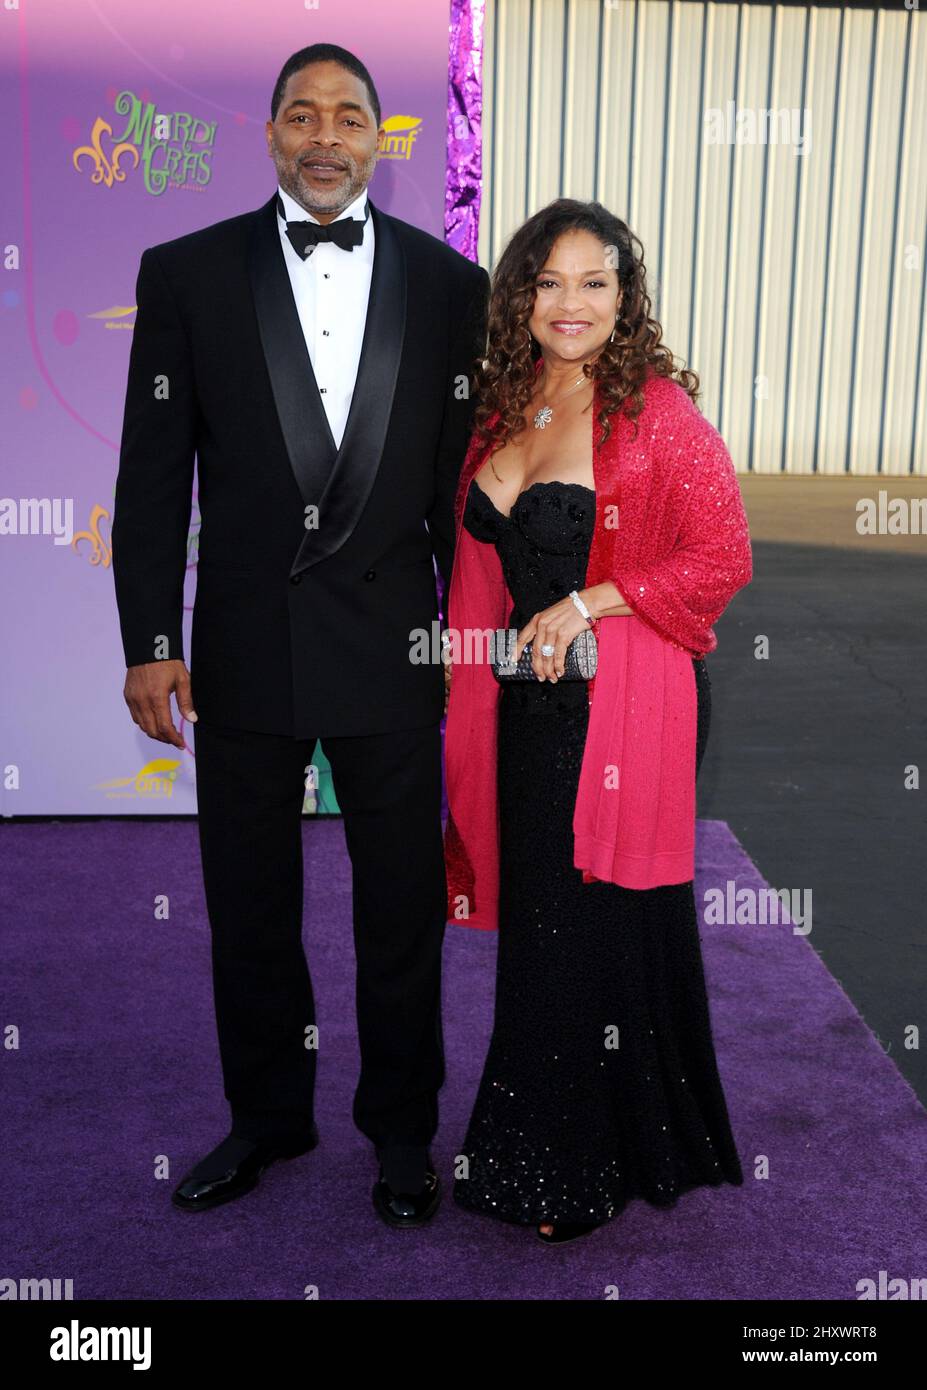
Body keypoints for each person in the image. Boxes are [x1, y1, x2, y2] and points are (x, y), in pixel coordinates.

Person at [112, 43, 489, 1228]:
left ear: (382, 136)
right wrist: (146, 636)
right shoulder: (185, 274)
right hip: (243, 646)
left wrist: (469, 650)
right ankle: (268, 1118)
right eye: (300, 114)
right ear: (269, 132)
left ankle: (402, 1135)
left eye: (348, 115)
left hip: (393, 649)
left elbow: (454, 495)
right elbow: (152, 480)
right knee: (252, 903)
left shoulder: (448, 286)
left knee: (399, 911)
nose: (324, 135)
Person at [442, 198, 752, 1244]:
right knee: (540, 924)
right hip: (526, 713)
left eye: (595, 282)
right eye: (549, 281)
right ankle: (543, 1131)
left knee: (583, 925)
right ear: (520, 295)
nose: (570, 304)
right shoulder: (504, 403)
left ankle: (574, 1160)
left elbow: (721, 559)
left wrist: (591, 599)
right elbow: (482, 570)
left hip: (617, 706)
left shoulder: (657, 412)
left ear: (627, 297)